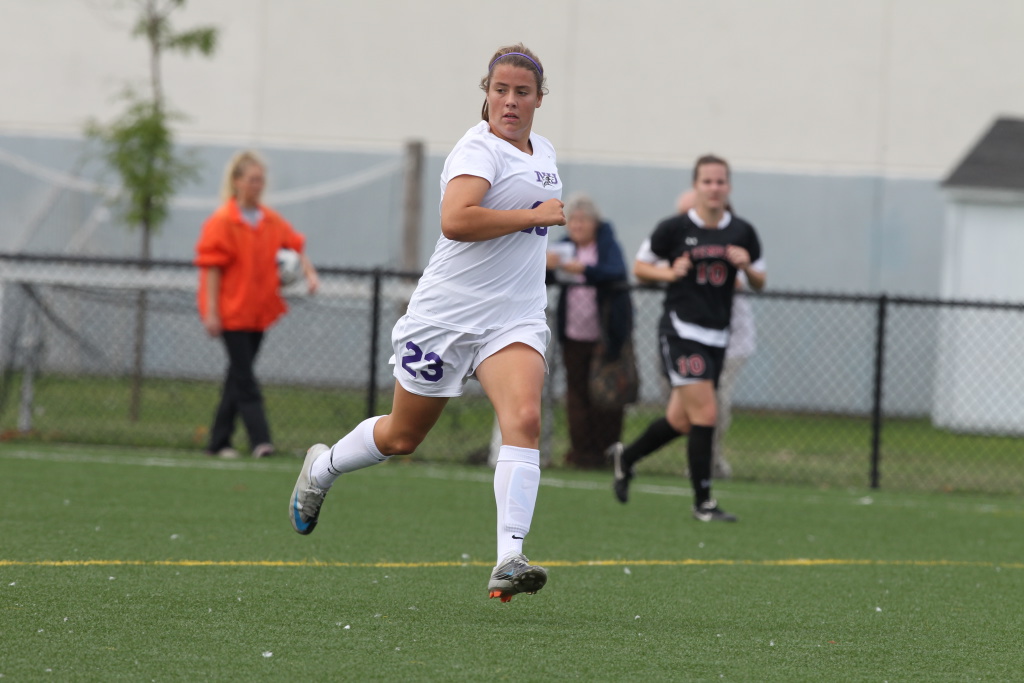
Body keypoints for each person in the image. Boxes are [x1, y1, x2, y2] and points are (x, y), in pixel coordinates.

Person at [288, 44, 565, 602]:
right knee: (402, 435)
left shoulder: (545, 151)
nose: (510, 101)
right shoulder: (478, 148)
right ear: (486, 94)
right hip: (446, 316)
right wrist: (531, 218)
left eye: (522, 92)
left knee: (525, 418)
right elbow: (456, 220)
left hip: (512, 318)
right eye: (501, 90)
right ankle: (322, 469)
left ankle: (509, 557)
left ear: (540, 99)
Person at [608, 155, 764, 521]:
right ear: (696, 186)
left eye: (720, 181)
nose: (714, 188)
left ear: (729, 186)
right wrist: (669, 272)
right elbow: (640, 268)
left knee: (680, 421)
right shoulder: (674, 228)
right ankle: (703, 503)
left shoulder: (742, 231)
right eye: (707, 181)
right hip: (681, 331)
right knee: (707, 412)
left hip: (718, 336)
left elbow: (760, 281)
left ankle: (625, 458)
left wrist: (747, 266)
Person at [632, 189, 766, 479]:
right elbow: (643, 270)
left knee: (701, 411)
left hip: (726, 339)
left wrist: (737, 265)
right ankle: (699, 483)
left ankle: (705, 466)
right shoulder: (678, 238)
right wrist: (671, 271)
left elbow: (750, 281)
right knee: (690, 415)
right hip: (686, 335)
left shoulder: (734, 237)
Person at [195, 150, 319, 459]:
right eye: (251, 179)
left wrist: (309, 273)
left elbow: (295, 246)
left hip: (259, 311)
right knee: (245, 379)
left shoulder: (270, 220)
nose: (257, 185)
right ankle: (261, 441)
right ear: (237, 181)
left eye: (260, 180)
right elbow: (212, 269)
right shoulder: (223, 221)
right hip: (231, 312)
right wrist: (211, 312)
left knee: (237, 376)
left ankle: (218, 442)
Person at [546, 193, 633, 468]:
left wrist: (585, 269)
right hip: (573, 334)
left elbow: (615, 272)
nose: (578, 225)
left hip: (604, 335)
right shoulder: (563, 247)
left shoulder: (607, 245)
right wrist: (548, 267)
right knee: (577, 394)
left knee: (606, 397)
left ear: (595, 223)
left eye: (584, 220)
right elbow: (548, 278)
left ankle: (606, 452)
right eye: (573, 220)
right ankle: (582, 452)